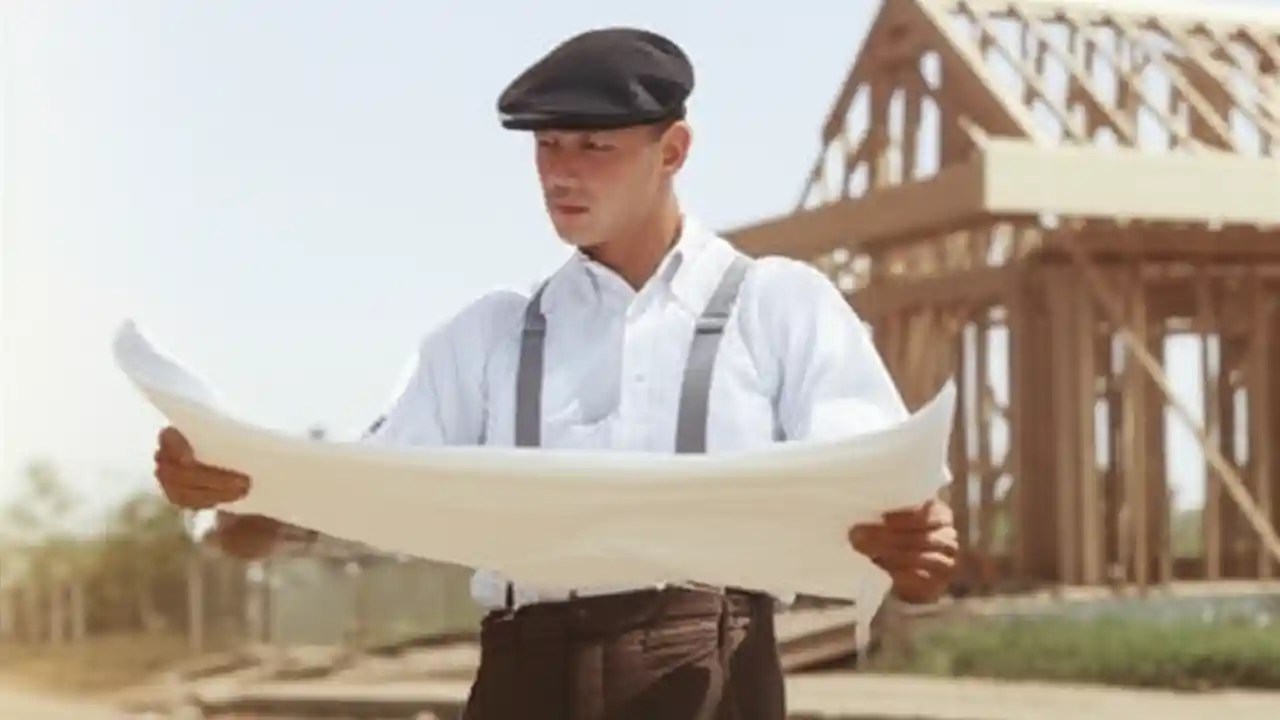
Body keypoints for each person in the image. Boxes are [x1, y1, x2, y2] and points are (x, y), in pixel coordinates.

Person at [152, 27, 958, 720]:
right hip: (521, 681)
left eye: (595, 147)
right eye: (547, 145)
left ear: (672, 149)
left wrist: (918, 552)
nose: (560, 173)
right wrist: (238, 494)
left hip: (705, 674)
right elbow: (352, 498)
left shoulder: (779, 307)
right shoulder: (487, 337)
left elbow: (889, 512)